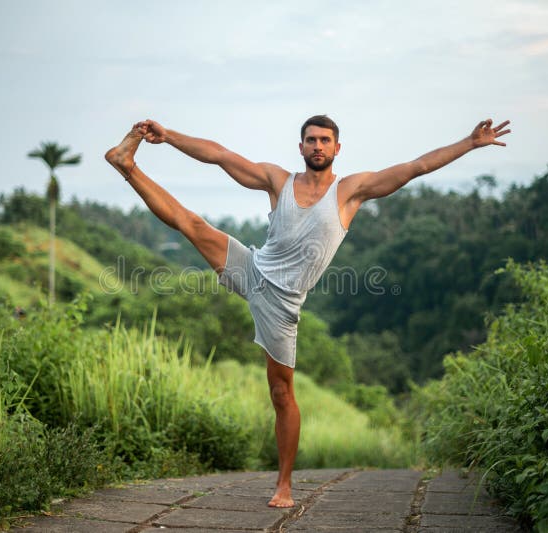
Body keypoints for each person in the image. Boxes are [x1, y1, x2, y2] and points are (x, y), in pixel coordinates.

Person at [104, 115, 511, 508]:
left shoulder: (350, 191)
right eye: (311, 140)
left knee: (281, 393)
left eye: (325, 140)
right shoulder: (278, 181)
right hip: (253, 269)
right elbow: (221, 155)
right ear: (301, 146)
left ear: (337, 147)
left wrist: (470, 143)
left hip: (282, 306)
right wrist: (168, 135)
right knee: (191, 223)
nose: (318, 146)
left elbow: (416, 167)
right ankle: (127, 164)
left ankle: (284, 484)